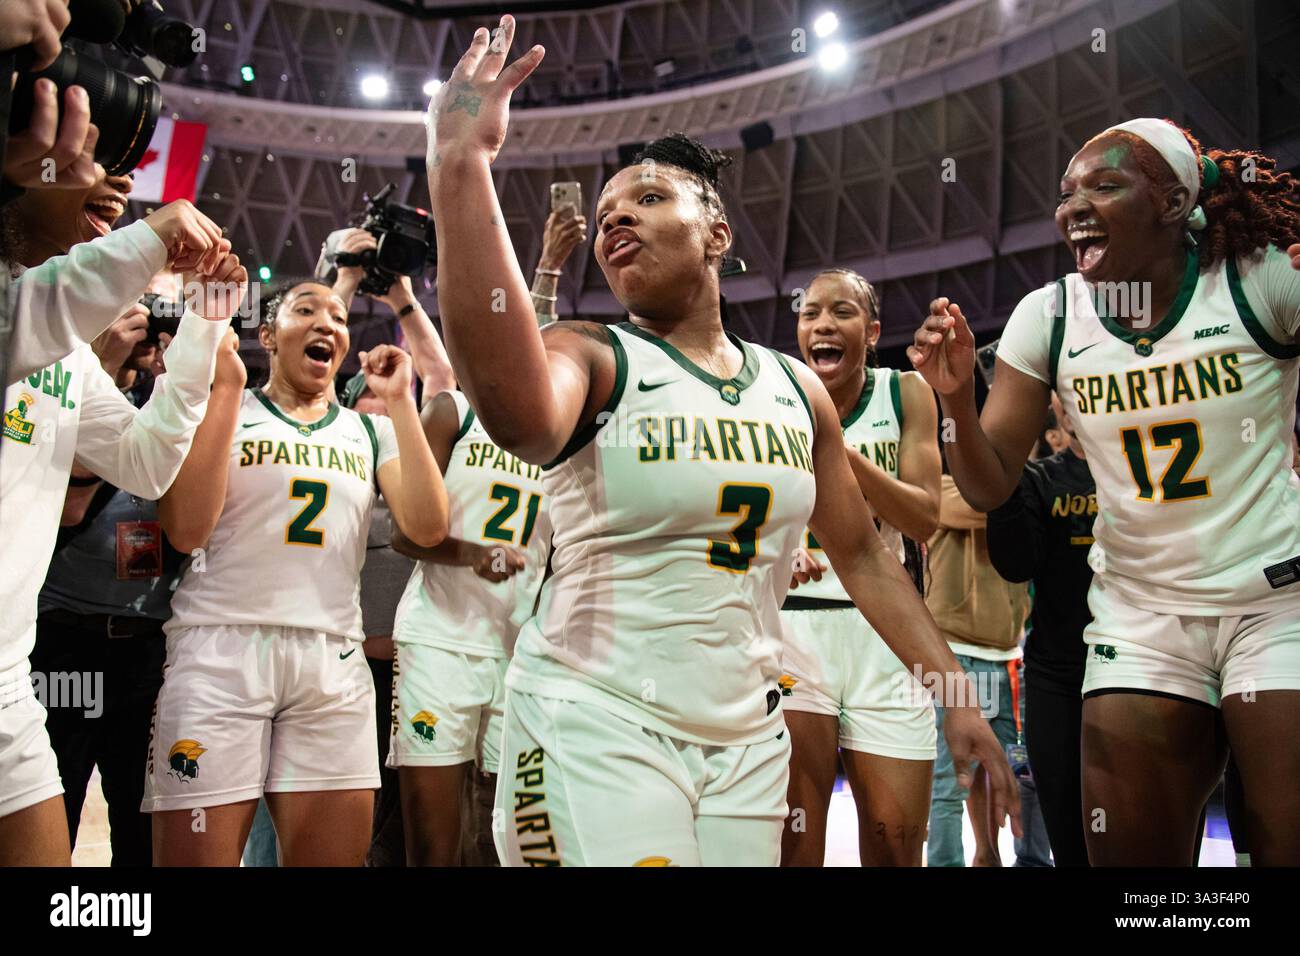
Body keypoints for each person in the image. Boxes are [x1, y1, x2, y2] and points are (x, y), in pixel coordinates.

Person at [426, 16, 1017, 867]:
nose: (616, 218)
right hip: (589, 721)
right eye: (605, 213)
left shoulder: (796, 389)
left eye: (649, 198)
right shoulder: (590, 354)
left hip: (747, 739)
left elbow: (867, 559)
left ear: (717, 234)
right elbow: (517, 415)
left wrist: (958, 699)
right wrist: (462, 165)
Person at [908, 117, 1300, 865]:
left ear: (1172, 200)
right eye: (1066, 193)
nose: (1073, 206)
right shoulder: (1051, 314)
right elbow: (990, 483)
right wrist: (956, 404)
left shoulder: (1260, 279)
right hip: (1139, 613)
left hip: (1275, 600)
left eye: (1104, 185)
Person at [143, 280, 450, 867]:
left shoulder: (370, 430)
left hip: (332, 660)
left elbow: (428, 527)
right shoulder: (225, 408)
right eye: (305, 310)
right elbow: (183, 529)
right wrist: (228, 390)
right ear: (267, 336)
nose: (326, 323)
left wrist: (403, 401)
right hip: (219, 652)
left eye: (337, 316)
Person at [0, 183, 241, 866]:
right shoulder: (35, 316)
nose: (116, 182)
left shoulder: (67, 352)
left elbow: (148, 462)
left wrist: (204, 325)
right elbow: (28, 313)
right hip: (58, 641)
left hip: (11, 678)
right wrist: (144, 242)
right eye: (80, 162)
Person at [778, 267, 941, 867]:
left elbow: (925, 518)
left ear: (871, 331)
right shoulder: (776, 396)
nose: (823, 323)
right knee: (795, 844)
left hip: (888, 632)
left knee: (896, 844)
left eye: (842, 312)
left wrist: (839, 452)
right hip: (794, 634)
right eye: (811, 312)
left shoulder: (906, 393)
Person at [28, 278, 192, 866]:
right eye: (137, 305)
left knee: (138, 818)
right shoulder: (62, 381)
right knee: (53, 802)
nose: (149, 322)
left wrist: (181, 377)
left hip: (146, 647)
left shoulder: (173, 405)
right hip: (66, 637)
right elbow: (69, 512)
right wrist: (101, 364)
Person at [986, 391, 1096, 866]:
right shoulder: (1038, 478)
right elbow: (1015, 564)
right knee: (1066, 827)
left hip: (1146, 661)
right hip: (1057, 670)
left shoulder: (1141, 470)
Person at [923, 470, 1035, 866]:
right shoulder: (946, 486)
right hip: (956, 654)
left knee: (1020, 773)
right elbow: (986, 509)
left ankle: (995, 856)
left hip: (1008, 655)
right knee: (953, 779)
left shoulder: (1023, 485)